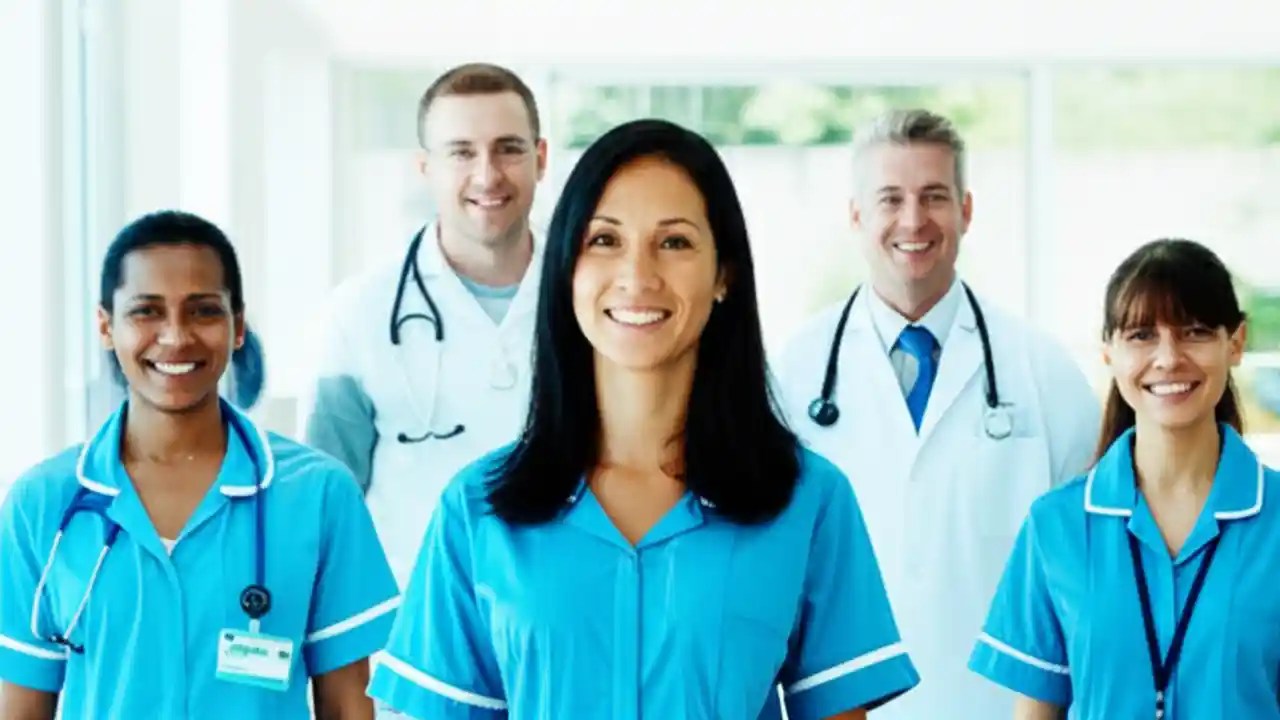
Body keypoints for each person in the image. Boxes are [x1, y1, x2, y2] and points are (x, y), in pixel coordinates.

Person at [366, 119, 920, 719]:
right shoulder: (478, 508)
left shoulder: (808, 501)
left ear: (724, 274)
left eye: (674, 242)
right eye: (605, 240)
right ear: (567, 270)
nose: (637, 276)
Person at [0, 211, 399, 719]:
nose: (175, 336)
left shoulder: (318, 496)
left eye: (203, 311)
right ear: (106, 326)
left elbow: (346, 706)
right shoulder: (42, 505)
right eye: (146, 311)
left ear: (238, 327)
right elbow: (21, 709)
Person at [770, 108, 1101, 719]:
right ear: (856, 216)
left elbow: (1092, 568)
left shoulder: (1045, 373)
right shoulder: (791, 374)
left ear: (967, 211)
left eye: (934, 197)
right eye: (890, 199)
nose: (913, 220)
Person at [970, 238, 1279, 719]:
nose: (1168, 357)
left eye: (1194, 331)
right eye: (1141, 336)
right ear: (1108, 352)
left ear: (1235, 344)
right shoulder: (1056, 526)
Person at [299, 62, 547, 588]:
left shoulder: (594, 302)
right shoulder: (358, 315)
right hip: (413, 629)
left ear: (540, 159)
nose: (487, 174)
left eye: (508, 148)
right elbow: (324, 509)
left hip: (561, 619)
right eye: (461, 152)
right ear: (425, 168)